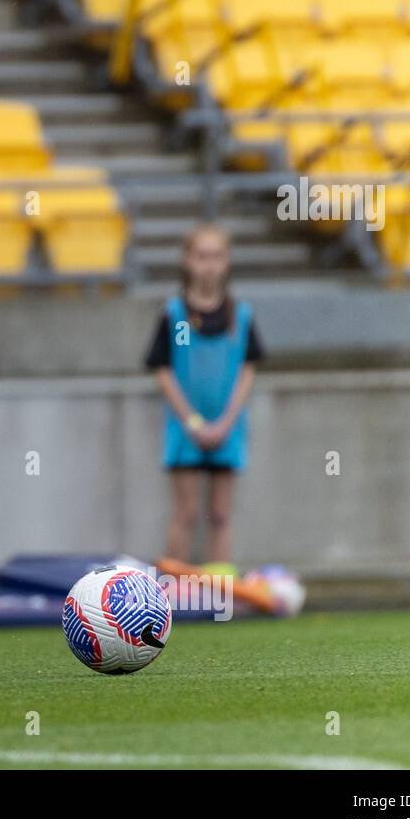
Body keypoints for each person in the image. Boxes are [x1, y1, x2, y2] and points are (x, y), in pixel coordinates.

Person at [143, 223, 264, 570]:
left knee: (221, 514)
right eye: (201, 256)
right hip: (186, 430)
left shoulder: (240, 316)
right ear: (187, 261)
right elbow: (163, 369)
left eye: (216, 257)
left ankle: (219, 591)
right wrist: (193, 421)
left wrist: (226, 421)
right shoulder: (177, 315)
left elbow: (247, 368)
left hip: (228, 428)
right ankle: (174, 594)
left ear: (226, 262)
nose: (209, 265)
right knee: (186, 512)